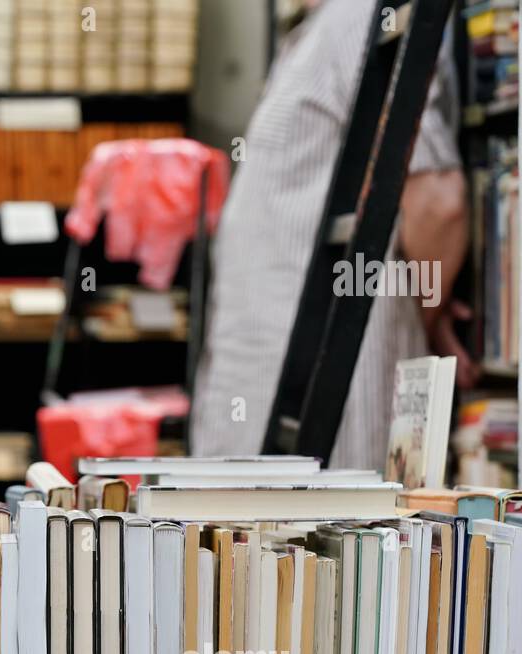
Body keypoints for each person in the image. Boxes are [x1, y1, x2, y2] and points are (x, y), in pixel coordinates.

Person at [188, 0, 477, 654]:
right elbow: (440, 202)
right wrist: (439, 317)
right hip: (317, 371)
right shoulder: (357, 22)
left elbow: (432, 196)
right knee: (336, 612)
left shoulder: (345, 23)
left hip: (291, 375)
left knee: (291, 616)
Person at [190, 0, 478, 470]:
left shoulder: (359, 17)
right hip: (275, 390)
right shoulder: (314, 31)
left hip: (328, 389)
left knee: (332, 537)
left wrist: (428, 314)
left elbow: (437, 202)